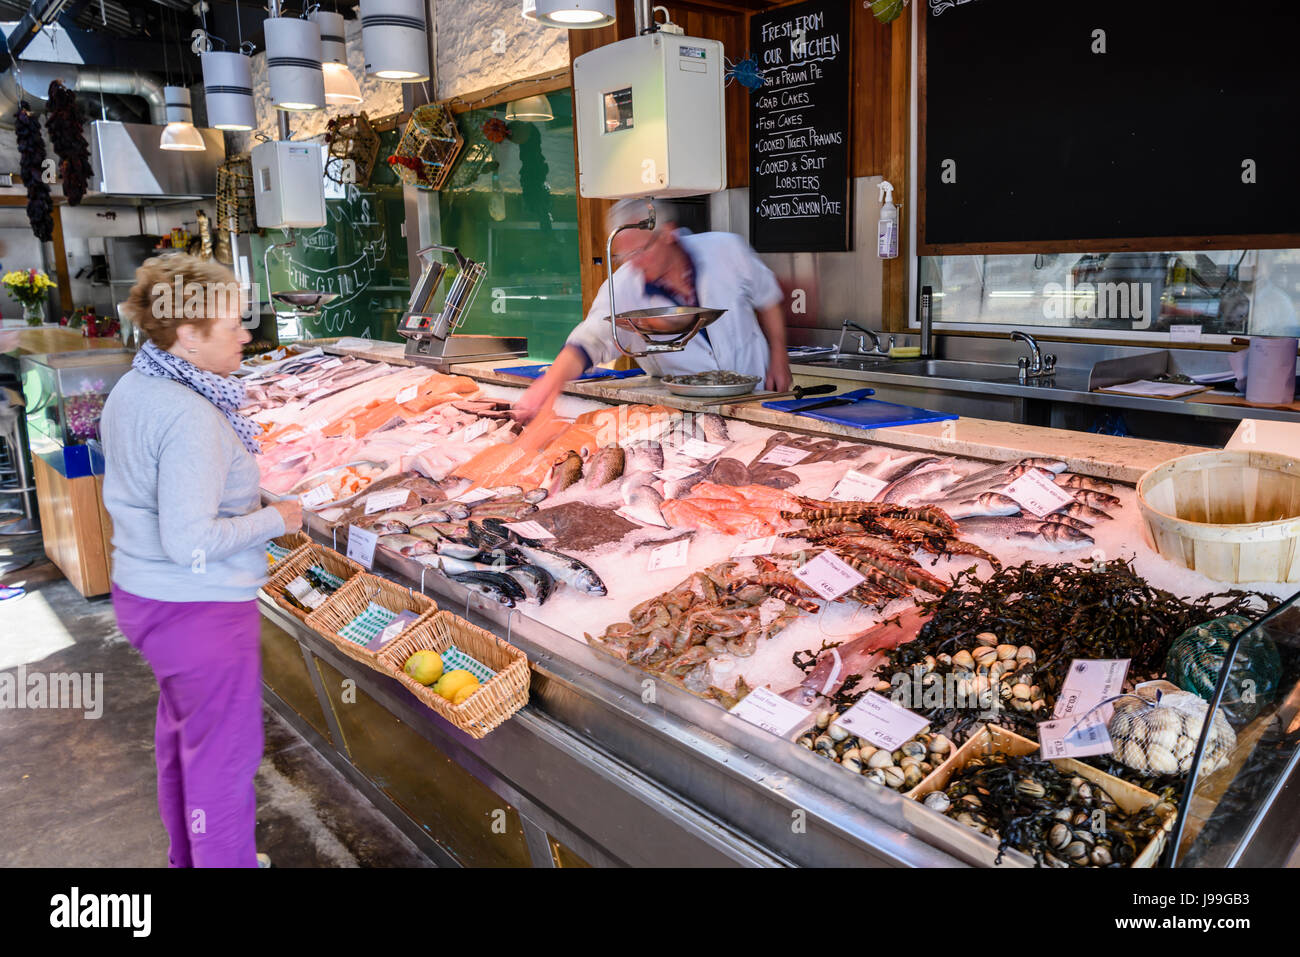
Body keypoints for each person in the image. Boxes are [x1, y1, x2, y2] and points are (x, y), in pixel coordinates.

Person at [100, 253, 301, 868]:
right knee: (224, 758)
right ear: (187, 333)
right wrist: (279, 519)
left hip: (146, 596)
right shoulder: (191, 414)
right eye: (235, 324)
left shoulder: (139, 383)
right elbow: (189, 541)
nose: (248, 334)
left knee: (185, 740)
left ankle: (193, 859)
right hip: (197, 610)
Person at [514, 199, 793, 421]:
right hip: (687, 413)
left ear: (668, 234)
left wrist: (779, 354)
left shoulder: (726, 249)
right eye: (623, 256)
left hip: (757, 396)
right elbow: (589, 341)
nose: (633, 263)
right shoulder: (623, 285)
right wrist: (546, 385)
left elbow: (767, 297)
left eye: (640, 251)